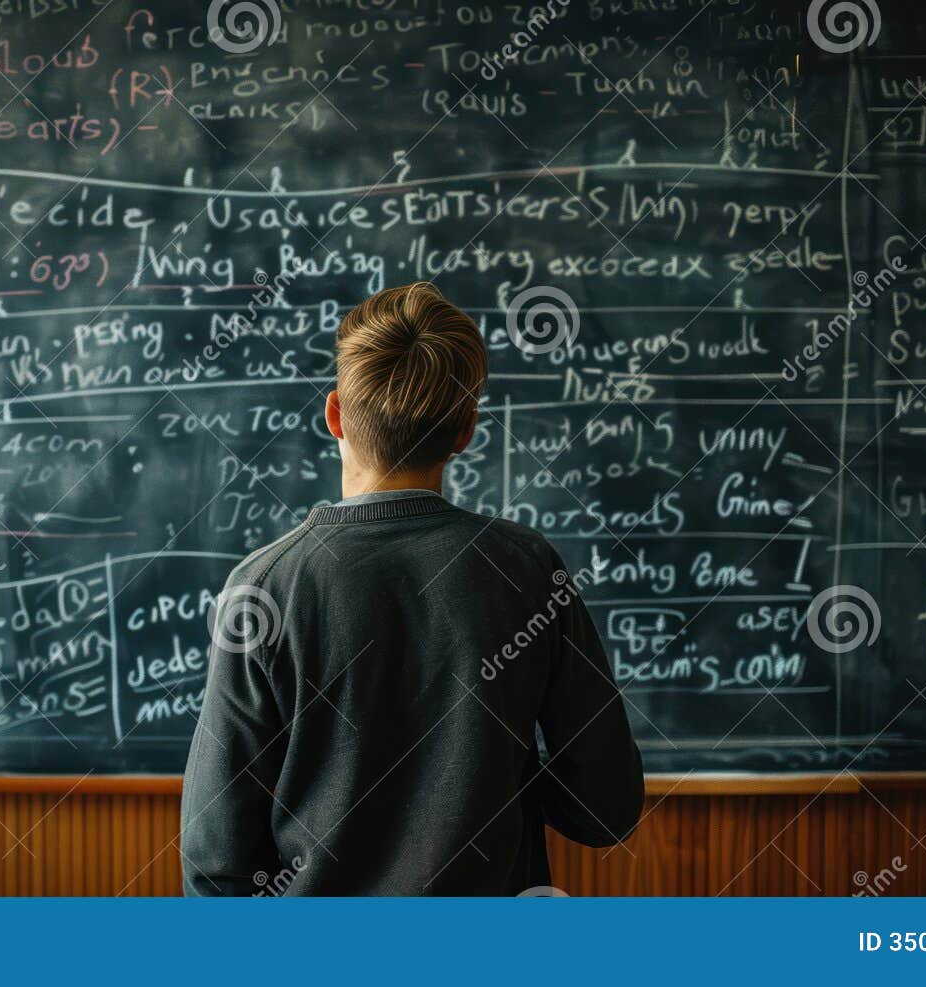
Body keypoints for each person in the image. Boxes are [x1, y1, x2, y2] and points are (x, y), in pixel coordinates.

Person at [180, 281, 642, 895]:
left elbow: (216, 862)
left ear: (335, 414)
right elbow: (604, 809)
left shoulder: (263, 589)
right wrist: (491, 760)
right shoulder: (527, 570)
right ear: (466, 431)